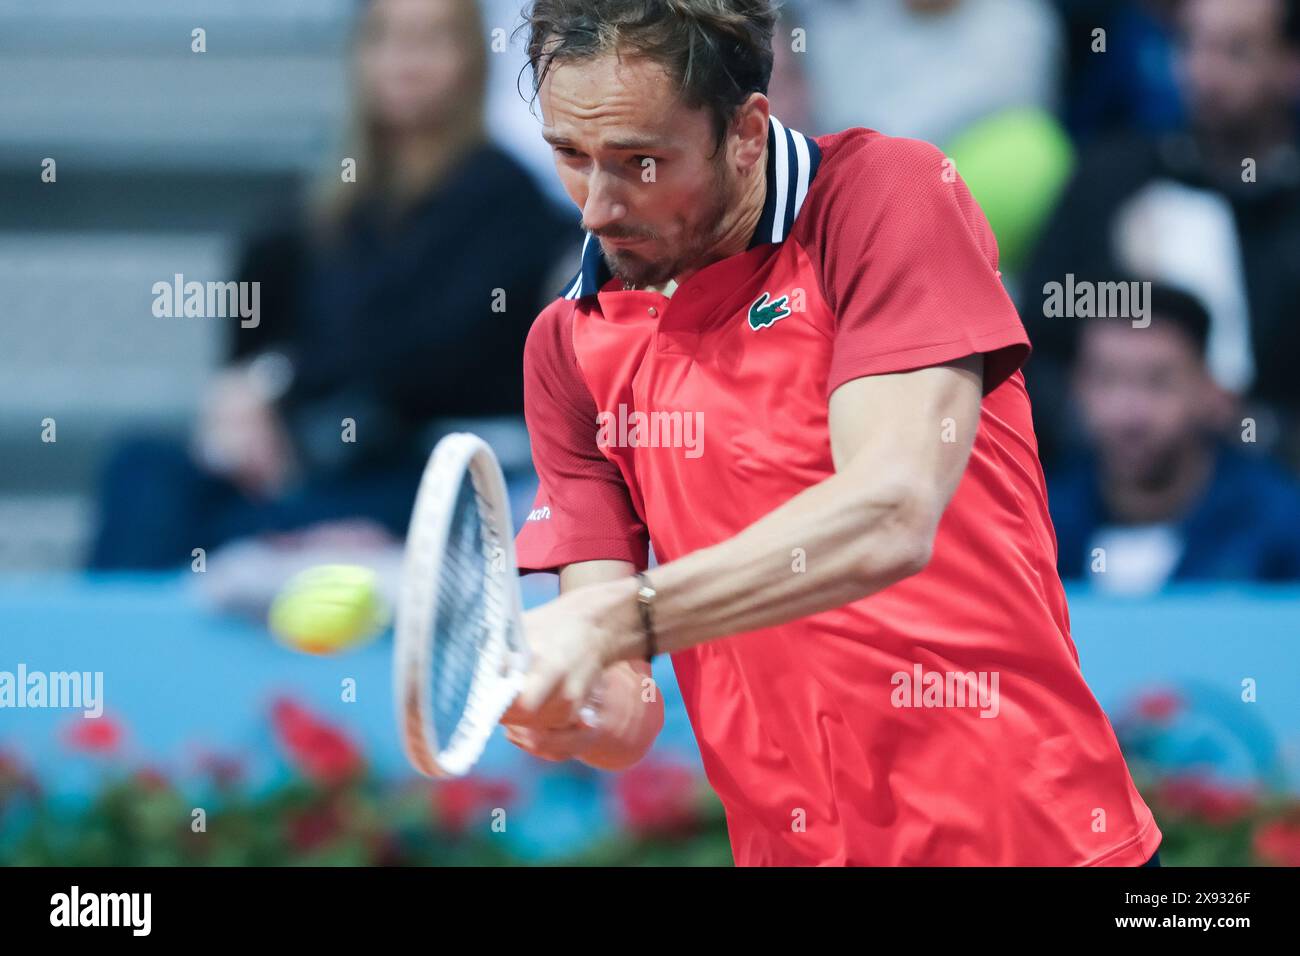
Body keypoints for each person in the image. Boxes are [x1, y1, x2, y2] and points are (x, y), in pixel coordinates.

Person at [499, 0, 1161, 867]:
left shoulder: (884, 199)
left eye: (641, 161)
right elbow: (627, 713)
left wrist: (615, 621)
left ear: (745, 131)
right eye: (570, 156)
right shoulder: (567, 345)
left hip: (1036, 841)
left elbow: (891, 512)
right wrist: (563, 701)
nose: (599, 206)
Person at [89, 0, 574, 569]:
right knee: (142, 469)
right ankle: (125, 649)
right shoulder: (319, 208)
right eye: (386, 40)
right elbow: (254, 339)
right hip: (306, 466)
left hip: (416, 473)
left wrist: (280, 383)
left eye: (430, 41)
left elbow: (416, 359)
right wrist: (246, 393)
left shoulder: (508, 204)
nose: (405, 62)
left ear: (472, 61)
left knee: (221, 536)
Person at [1021, 0, 1300, 470]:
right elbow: (1037, 333)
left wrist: (1257, 428)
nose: (1202, 72)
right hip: (1094, 486)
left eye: (1237, 51)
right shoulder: (1109, 180)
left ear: (1290, 64)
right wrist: (1100, 409)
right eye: (1189, 44)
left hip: (1270, 491)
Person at [1050, 284, 1300, 592]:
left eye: (1158, 382)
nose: (1129, 413)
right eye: (1107, 379)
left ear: (1211, 390)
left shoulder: (1280, 522)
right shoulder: (1039, 521)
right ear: (1077, 387)